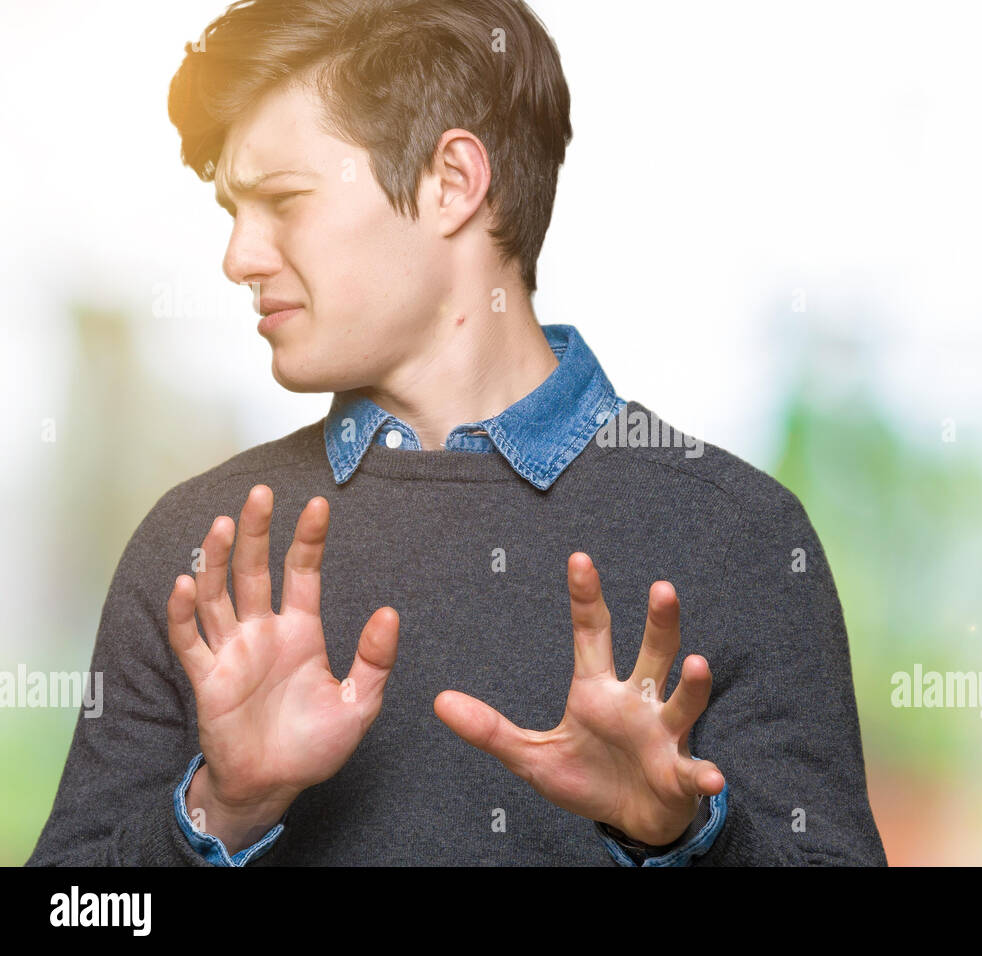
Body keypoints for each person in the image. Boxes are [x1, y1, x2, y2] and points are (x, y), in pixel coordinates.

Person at [27, 0, 887, 866]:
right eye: (231, 211)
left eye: (282, 200)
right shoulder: (201, 551)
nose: (238, 256)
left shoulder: (738, 535)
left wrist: (683, 838)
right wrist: (223, 808)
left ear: (453, 181)